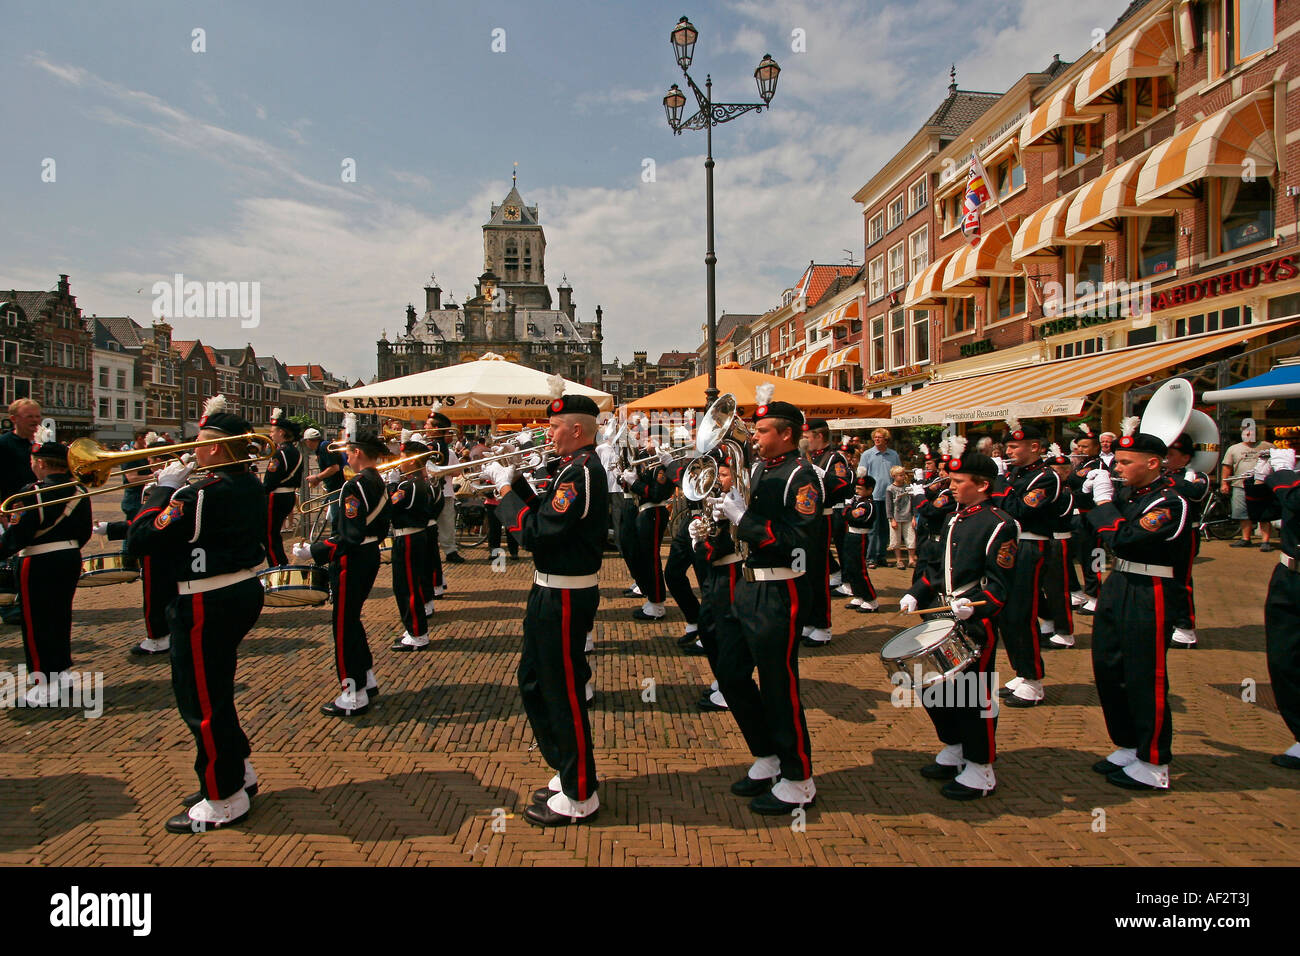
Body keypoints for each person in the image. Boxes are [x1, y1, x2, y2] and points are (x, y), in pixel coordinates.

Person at [126, 395, 267, 833]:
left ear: (217, 447)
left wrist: (163, 492)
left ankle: (223, 796)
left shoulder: (199, 493)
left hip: (206, 600)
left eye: (201, 442)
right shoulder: (247, 483)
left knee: (200, 701)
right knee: (217, 691)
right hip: (237, 588)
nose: (193, 448)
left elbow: (142, 541)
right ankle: (236, 771)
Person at [486, 393, 609, 826]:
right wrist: (517, 484)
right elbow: (543, 513)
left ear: (576, 430)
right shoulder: (571, 469)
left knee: (563, 691)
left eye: (553, 426)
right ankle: (568, 768)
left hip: (565, 594)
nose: (547, 432)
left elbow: (537, 534)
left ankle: (580, 794)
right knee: (535, 682)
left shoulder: (581, 473)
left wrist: (503, 493)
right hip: (549, 591)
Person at [710, 388, 819, 814]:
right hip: (748, 583)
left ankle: (799, 776)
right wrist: (724, 515)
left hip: (781, 587)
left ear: (787, 434)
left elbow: (798, 540)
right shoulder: (757, 469)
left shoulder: (802, 476)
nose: (754, 436)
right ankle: (768, 755)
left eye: (762, 430)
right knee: (731, 674)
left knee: (779, 685)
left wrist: (745, 519)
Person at [900, 438, 1017, 799]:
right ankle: (954, 745)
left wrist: (977, 606)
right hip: (944, 615)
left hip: (974, 621)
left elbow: (1000, 584)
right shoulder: (953, 518)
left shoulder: (1000, 525)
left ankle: (981, 767)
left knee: (972, 695)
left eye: (958, 481)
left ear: (982, 484)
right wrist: (916, 593)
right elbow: (935, 568)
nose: (950, 486)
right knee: (930, 684)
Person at [1084, 416, 1192, 791]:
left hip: (1151, 587)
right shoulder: (1134, 496)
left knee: (1146, 673)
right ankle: (1130, 743)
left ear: (1152, 462)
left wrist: (1104, 506)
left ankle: (1155, 760)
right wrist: (1092, 497)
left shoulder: (1170, 501)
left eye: (1126, 462)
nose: (1117, 468)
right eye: (1116, 462)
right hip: (1121, 582)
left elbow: (1127, 538)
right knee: (1110, 666)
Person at [297, 429, 390, 716]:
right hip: (370, 554)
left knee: (343, 625)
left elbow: (349, 535)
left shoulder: (356, 485)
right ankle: (366, 678)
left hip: (353, 559)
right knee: (351, 621)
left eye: (348, 452)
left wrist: (315, 551)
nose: (346, 456)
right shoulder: (378, 481)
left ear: (358, 453)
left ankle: (353, 693)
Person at [0, 427, 92, 704]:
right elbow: (85, 531)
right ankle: (62, 672)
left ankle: (45, 685)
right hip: (69, 558)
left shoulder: (32, 492)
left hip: (37, 560)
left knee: (37, 623)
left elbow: (17, 537)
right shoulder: (78, 489)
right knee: (60, 617)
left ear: (40, 463)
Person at [990, 419, 1061, 706]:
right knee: (1007, 615)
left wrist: (1002, 487)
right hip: (1013, 544)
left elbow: (1021, 509)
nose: (1008, 450)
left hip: (1031, 544)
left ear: (1034, 447)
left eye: (1013, 445)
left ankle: (1033, 679)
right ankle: (1021, 671)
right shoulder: (1016, 475)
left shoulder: (1046, 477)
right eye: (1008, 445)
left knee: (1023, 612)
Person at [95, 434, 177, 656]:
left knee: (154, 593)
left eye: (152, 459)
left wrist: (113, 529)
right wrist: (110, 528)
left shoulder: (161, 488)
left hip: (157, 546)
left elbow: (147, 522)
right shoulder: (167, 484)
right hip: (167, 544)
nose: (148, 463)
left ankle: (158, 638)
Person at [1252, 446, 1300, 770]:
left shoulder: (1293, 482)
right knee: (1284, 660)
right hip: (1289, 574)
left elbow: (1295, 501)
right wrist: (1258, 482)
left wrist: (1283, 477)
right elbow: (1264, 511)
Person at [689, 450, 740, 711]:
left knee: (724, 631)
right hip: (717, 569)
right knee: (708, 626)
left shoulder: (739, 500)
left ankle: (731, 686)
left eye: (723, 474)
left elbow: (724, 544)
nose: (718, 479)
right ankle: (725, 679)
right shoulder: (723, 496)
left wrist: (700, 544)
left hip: (730, 570)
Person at [801, 418, 851, 647]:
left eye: (807, 436)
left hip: (823, 517)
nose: (804, 440)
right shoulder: (809, 456)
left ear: (819, 436)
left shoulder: (834, 458)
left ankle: (823, 625)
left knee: (818, 573)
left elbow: (842, 487)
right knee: (806, 573)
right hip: (806, 518)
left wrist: (819, 472)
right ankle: (810, 620)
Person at [388, 433, 433, 651]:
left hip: (408, 537)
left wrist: (390, 486)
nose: (398, 460)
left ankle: (418, 633)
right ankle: (413, 629)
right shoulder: (416, 482)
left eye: (402, 457)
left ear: (413, 460)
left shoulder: (409, 485)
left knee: (407, 587)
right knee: (407, 585)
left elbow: (391, 506)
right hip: (413, 536)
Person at [1164, 432, 1210, 647]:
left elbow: (1196, 493)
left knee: (1181, 580)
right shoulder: (1163, 475)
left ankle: (1186, 628)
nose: (1166, 458)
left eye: (1170, 454)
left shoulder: (1196, 475)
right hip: (1164, 532)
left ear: (1185, 457)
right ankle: (1170, 620)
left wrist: (1166, 477)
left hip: (1186, 534)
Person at [621, 438, 673, 621]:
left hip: (654, 512)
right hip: (644, 512)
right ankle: (650, 595)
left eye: (650, 439)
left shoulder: (662, 465)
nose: (646, 442)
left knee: (652, 560)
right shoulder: (647, 461)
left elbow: (657, 494)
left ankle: (657, 603)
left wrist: (634, 483)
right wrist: (627, 479)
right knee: (640, 557)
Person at [0, 398, 41, 627]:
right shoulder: (4, 444)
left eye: (37, 416)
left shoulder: (40, 444)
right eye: (30, 417)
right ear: (14, 419)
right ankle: (8, 605)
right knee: (7, 559)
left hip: (35, 509)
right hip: (12, 507)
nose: (36, 421)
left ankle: (28, 601)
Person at [1040, 445, 1077, 648]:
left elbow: (1059, 517)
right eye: (1053, 470)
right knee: (1039, 588)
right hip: (1044, 540)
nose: (1057, 474)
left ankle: (1065, 632)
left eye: (1062, 471)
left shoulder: (1065, 492)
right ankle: (1050, 619)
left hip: (1058, 539)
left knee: (1057, 588)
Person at [1222, 419, 1275, 550]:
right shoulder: (1233, 449)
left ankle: (1265, 541)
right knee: (1242, 513)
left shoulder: (1268, 446)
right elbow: (1227, 467)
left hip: (1261, 486)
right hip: (1240, 485)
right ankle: (1246, 538)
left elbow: (1276, 464)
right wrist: (1224, 483)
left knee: (1264, 514)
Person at [263, 409, 302, 567]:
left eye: (273, 431)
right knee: (273, 534)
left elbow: (271, 480)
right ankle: (280, 563)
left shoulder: (280, 453)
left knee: (269, 536)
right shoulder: (294, 451)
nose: (271, 434)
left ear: (281, 432)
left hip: (276, 497)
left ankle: (277, 566)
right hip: (288, 495)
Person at [859, 428, 899, 569]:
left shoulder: (893, 455)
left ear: (886, 439)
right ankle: (871, 558)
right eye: (875, 437)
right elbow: (862, 475)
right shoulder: (867, 454)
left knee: (884, 529)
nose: (877, 439)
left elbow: (898, 473)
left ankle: (881, 556)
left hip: (889, 497)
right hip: (874, 496)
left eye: (880, 437)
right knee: (873, 529)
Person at [841, 471, 878, 612]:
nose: (857, 491)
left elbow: (851, 516)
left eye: (860, 489)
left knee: (859, 569)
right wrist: (848, 510)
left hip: (860, 537)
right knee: (850, 567)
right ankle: (859, 595)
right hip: (851, 535)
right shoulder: (858, 501)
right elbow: (847, 515)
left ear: (870, 490)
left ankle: (871, 599)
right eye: (856, 488)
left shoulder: (868, 504)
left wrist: (848, 509)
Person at [303, 427, 344, 530]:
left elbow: (334, 468)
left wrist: (317, 477)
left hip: (337, 487)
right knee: (335, 516)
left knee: (337, 518)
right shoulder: (322, 448)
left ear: (308, 441)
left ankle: (337, 540)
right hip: (334, 487)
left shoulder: (324, 448)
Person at [885, 465, 916, 570]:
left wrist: (914, 517)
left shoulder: (908, 487)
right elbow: (888, 505)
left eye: (904, 475)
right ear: (894, 476)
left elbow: (913, 503)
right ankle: (899, 560)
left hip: (908, 516)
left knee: (911, 538)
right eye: (900, 475)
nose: (903, 477)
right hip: (896, 517)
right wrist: (891, 519)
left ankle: (911, 559)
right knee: (896, 540)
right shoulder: (890, 489)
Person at [119, 428, 152, 523]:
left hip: (143, 498)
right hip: (134, 500)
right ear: (140, 438)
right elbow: (132, 478)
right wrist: (153, 476)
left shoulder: (146, 454)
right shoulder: (130, 455)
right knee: (133, 530)